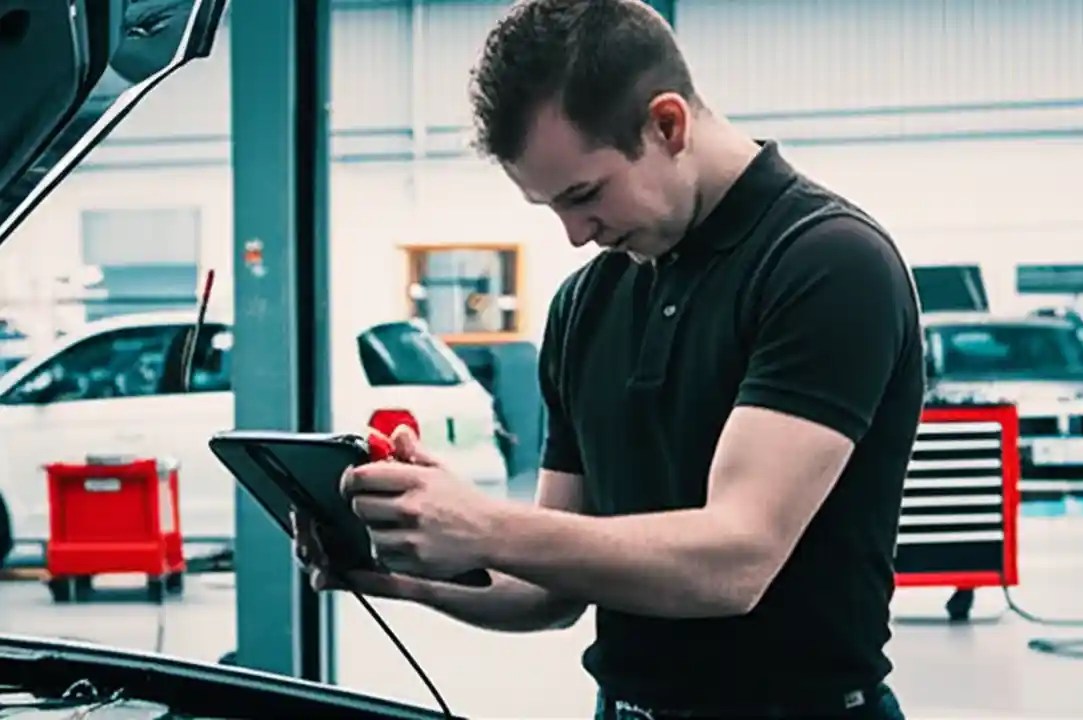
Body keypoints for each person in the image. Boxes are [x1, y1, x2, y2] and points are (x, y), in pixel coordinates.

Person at [297, 1, 923, 717]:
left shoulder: (827, 265)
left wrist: (481, 524)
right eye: (549, 208)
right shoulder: (585, 305)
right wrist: (395, 565)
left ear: (667, 125)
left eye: (584, 194)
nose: (573, 235)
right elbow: (549, 589)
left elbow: (736, 559)